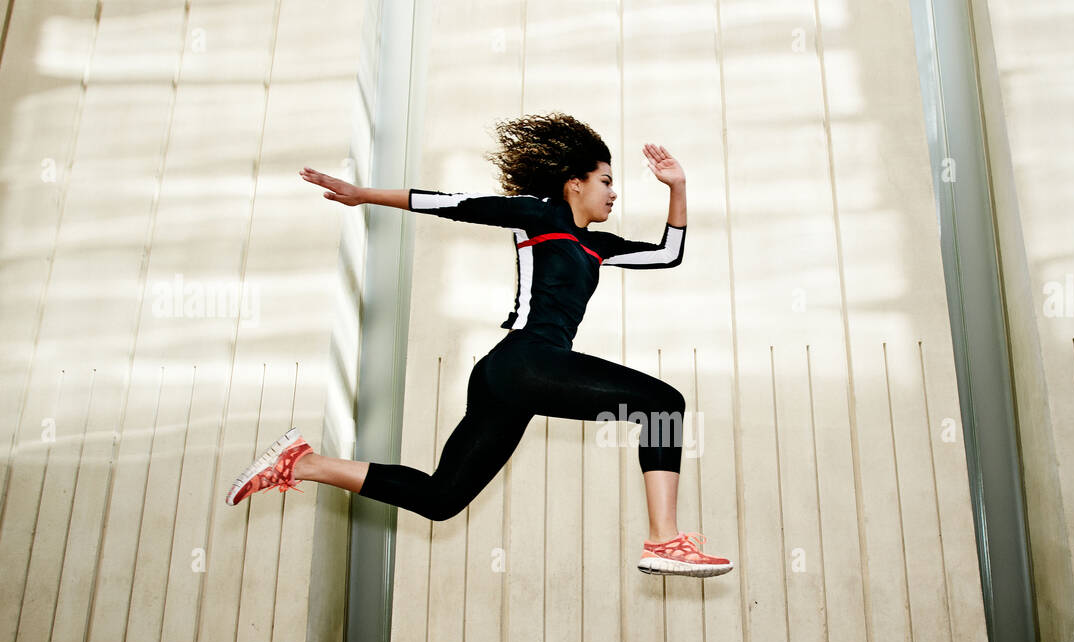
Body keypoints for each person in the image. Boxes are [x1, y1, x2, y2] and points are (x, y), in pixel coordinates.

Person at [225, 112, 732, 577]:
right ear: (573, 183)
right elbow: (452, 205)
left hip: (512, 380)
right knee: (663, 403)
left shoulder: (597, 246)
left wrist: (678, 187)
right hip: (527, 361)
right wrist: (362, 194)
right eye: (606, 182)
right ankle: (665, 541)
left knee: (441, 498)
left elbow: (669, 254)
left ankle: (301, 462)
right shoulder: (537, 215)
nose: (613, 194)